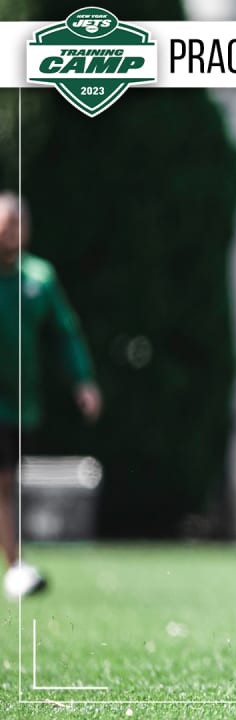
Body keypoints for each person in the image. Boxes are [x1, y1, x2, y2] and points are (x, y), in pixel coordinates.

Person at [0, 193, 101, 600]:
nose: (9, 231)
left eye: (16, 224)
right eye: (4, 223)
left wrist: (84, 380)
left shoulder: (38, 279)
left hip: (17, 403)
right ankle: (15, 565)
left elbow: (65, 333)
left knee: (5, 483)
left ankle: (14, 566)